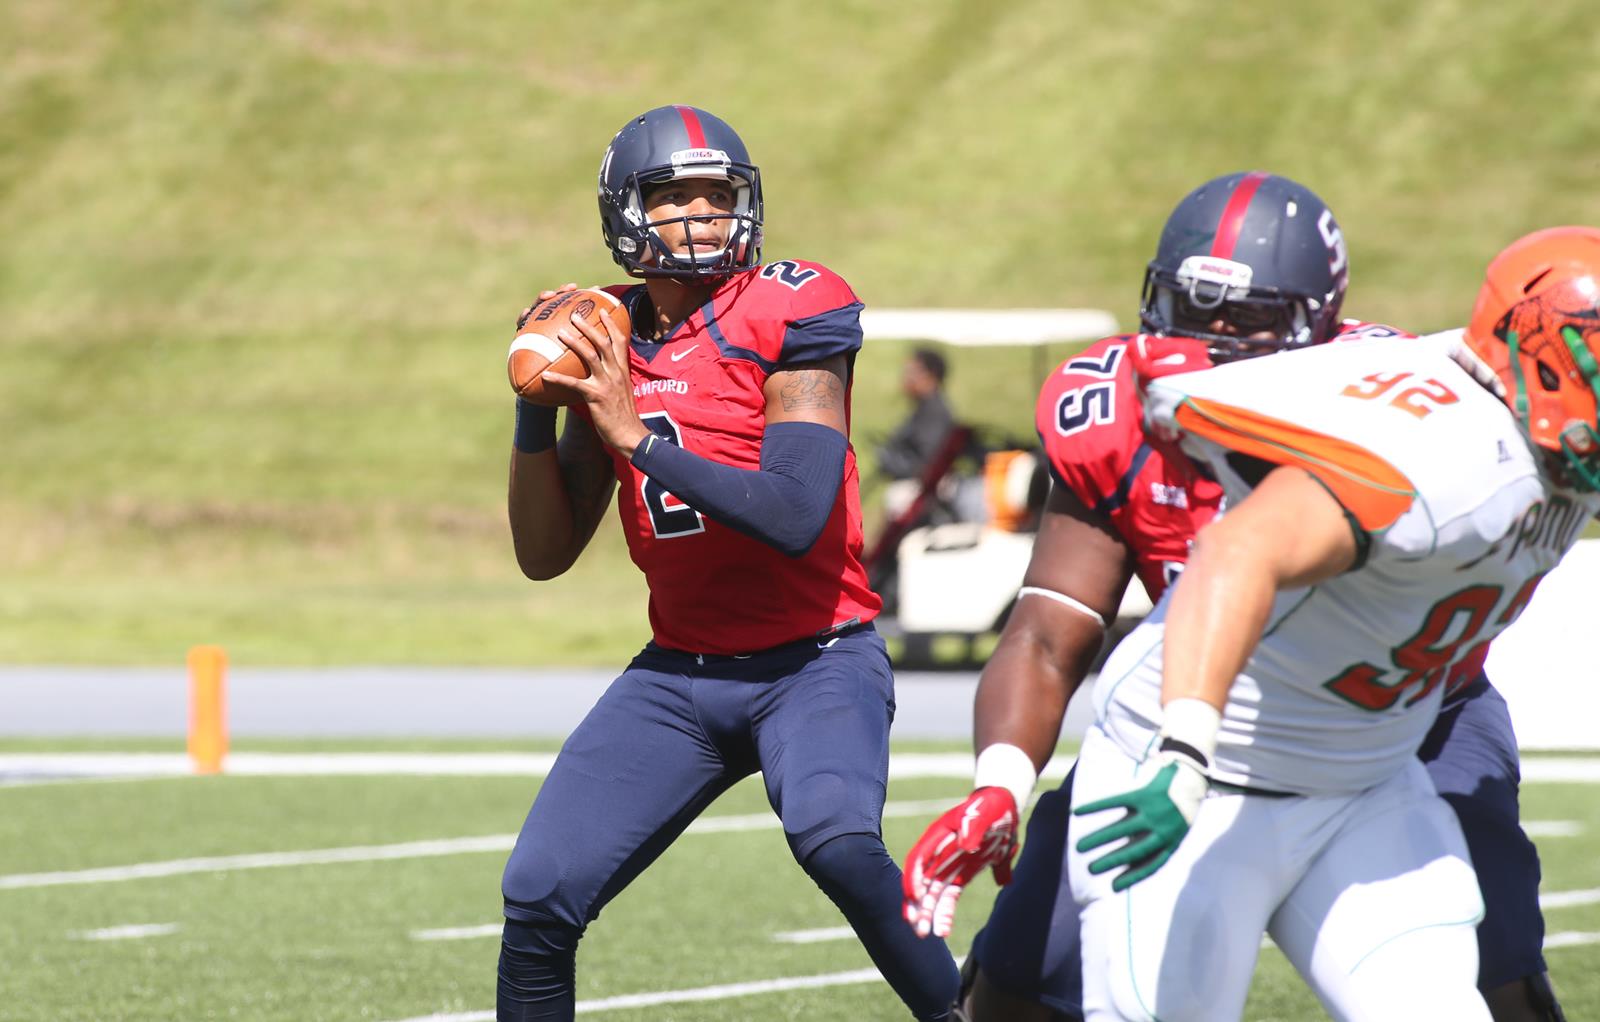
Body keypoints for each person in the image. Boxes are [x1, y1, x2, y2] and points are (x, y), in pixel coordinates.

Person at [902, 173, 1568, 1021]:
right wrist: (999, 782)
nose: (1208, 339)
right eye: (1188, 304)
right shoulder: (1114, 411)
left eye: (1244, 319)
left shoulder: (1392, 404)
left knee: (1489, 970)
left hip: (1404, 714)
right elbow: (1047, 630)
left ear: (1317, 329)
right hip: (1188, 719)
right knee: (1018, 977)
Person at [1061, 225, 1600, 1019]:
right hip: (1207, 786)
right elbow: (1232, 555)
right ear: (1545, 354)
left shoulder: (1541, 441)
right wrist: (1182, 753)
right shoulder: (1442, 461)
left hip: (1365, 783)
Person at [495, 105, 959, 1021]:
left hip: (815, 661)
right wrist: (537, 409)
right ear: (627, 213)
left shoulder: (792, 306)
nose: (704, 215)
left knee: (836, 841)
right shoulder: (609, 336)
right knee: (538, 891)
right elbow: (545, 555)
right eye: (677, 197)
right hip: (682, 674)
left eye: (719, 195)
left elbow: (794, 512)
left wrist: (634, 433)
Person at [878, 347, 958, 518]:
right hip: (918, 484)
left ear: (931, 375)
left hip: (928, 488)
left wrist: (895, 463)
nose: (906, 378)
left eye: (913, 372)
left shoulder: (935, 412)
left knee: (897, 497)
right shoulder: (924, 407)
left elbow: (929, 463)